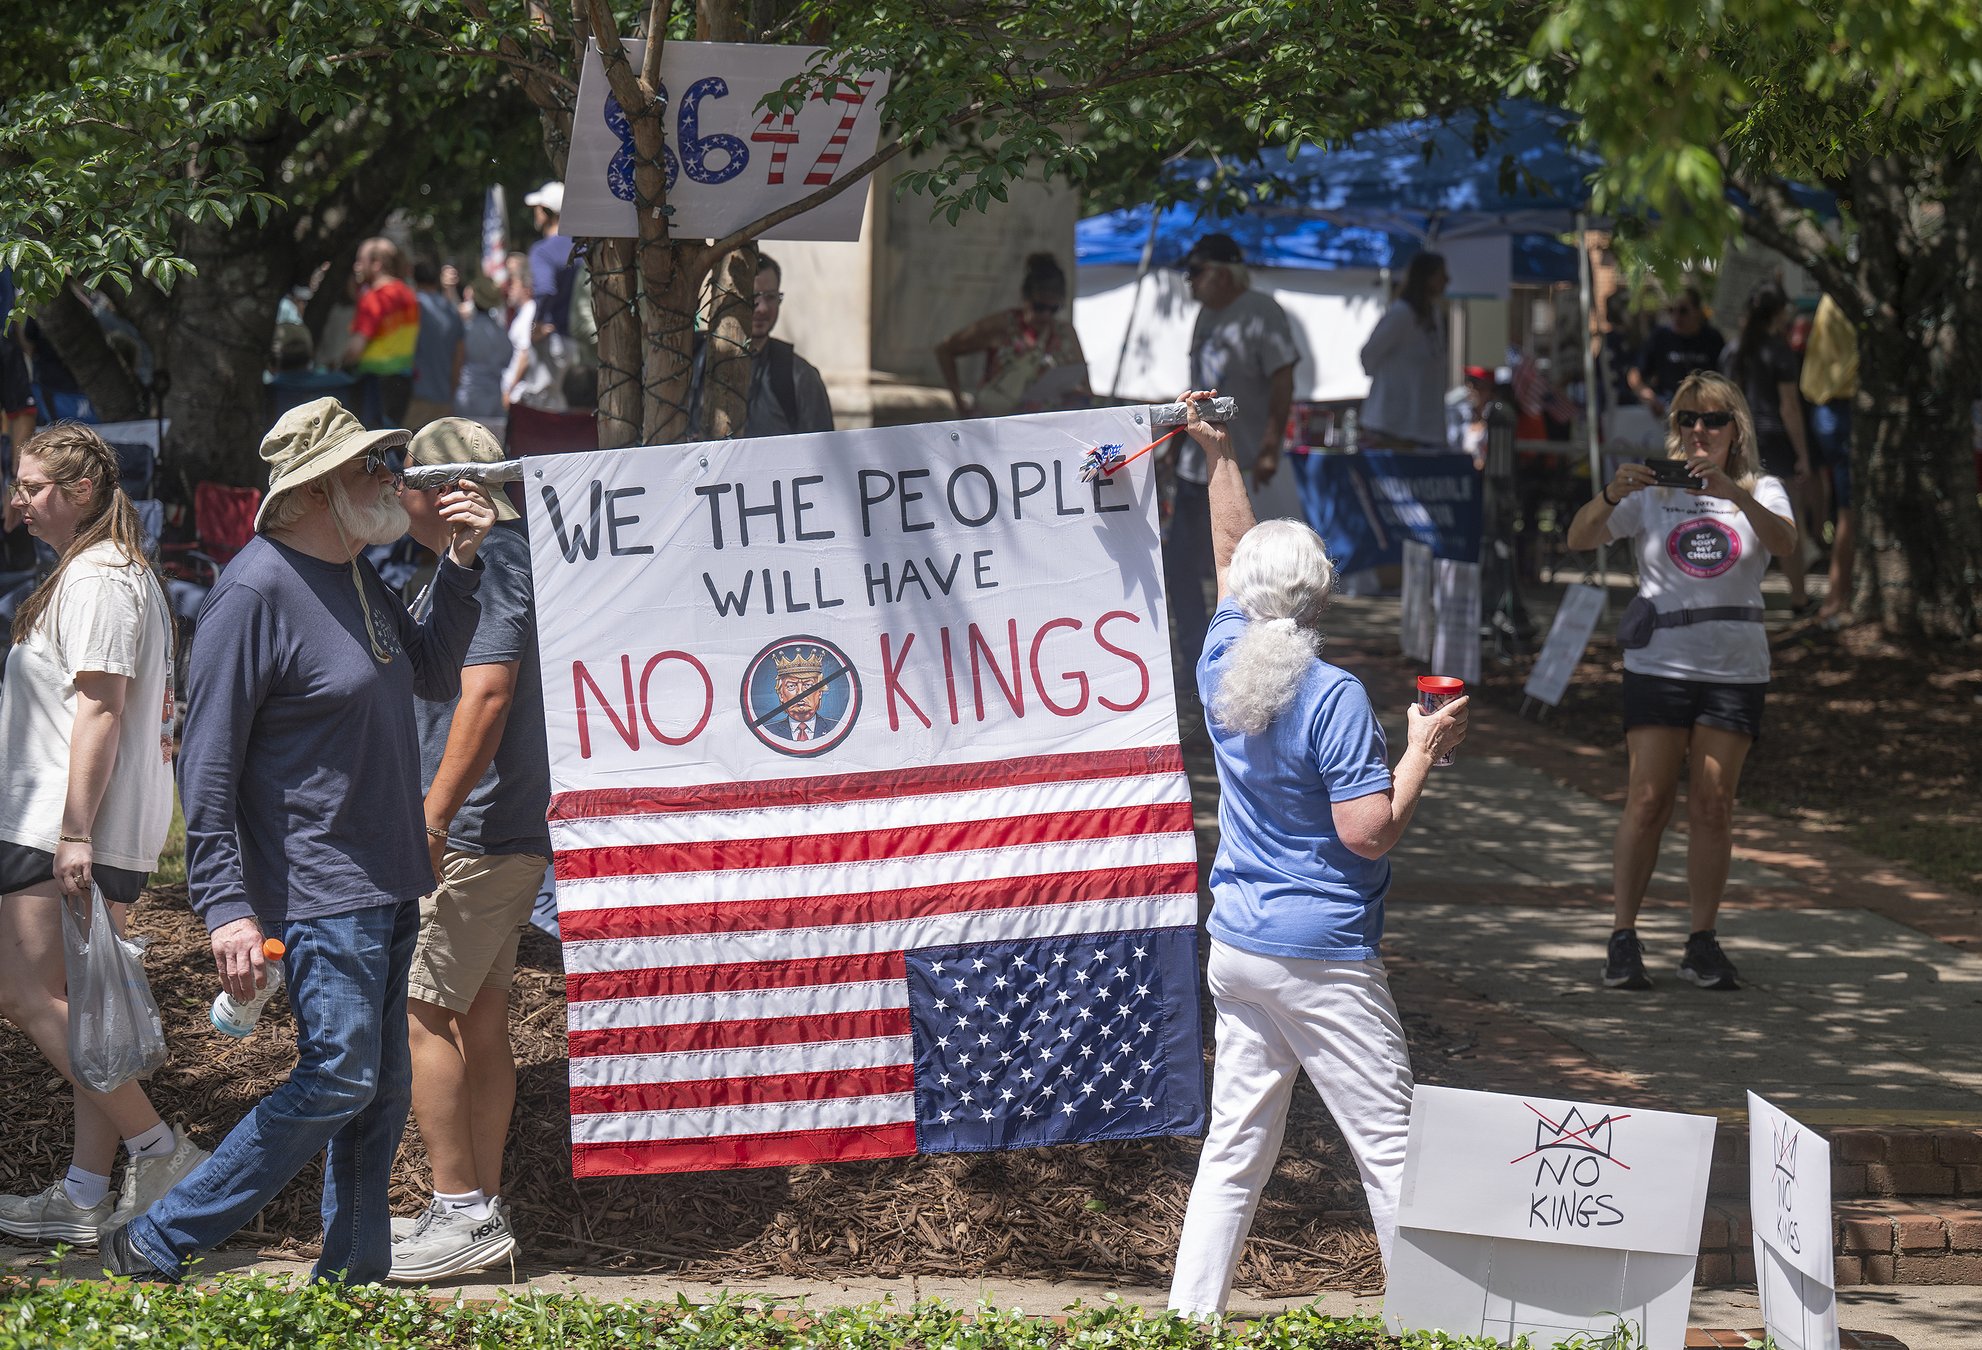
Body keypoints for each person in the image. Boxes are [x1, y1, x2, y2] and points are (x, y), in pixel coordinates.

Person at [97, 396, 494, 1283]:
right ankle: (158, 1241)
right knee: (343, 1077)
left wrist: (461, 564)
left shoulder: (358, 574)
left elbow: (430, 672)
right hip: (319, 884)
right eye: (372, 469)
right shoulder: (255, 588)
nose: (390, 482)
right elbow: (203, 768)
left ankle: (352, 1281)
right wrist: (227, 907)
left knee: (378, 1097)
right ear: (316, 490)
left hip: (385, 877)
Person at [1164, 390, 1468, 1318]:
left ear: (1250, 600)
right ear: (1322, 594)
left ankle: (1190, 1317)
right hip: (1322, 953)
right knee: (1392, 1147)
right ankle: (1433, 1323)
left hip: (1241, 945)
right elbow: (1365, 831)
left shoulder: (1221, 661)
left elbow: (1228, 556)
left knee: (1233, 1149)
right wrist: (1419, 752)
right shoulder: (1332, 693)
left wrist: (1220, 454)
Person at [0, 424, 207, 1248]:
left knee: (21, 993)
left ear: (80, 492)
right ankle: (87, 1193)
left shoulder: (100, 577)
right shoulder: (100, 574)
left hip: (60, 823)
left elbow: (101, 707)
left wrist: (74, 833)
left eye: (33, 485)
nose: (18, 499)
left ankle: (161, 1150)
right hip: (69, 823)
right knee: (83, 1011)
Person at [1565, 372, 1796, 994]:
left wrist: (1735, 496)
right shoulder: (1651, 487)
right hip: (1660, 661)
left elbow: (1788, 544)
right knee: (1647, 801)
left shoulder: (1761, 487)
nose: (1700, 431)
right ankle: (1623, 935)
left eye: (1713, 420)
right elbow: (1579, 537)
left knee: (1714, 805)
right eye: (1689, 419)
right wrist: (1611, 495)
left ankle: (1701, 941)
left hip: (1734, 666)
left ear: (1735, 429)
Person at [388, 419, 549, 1282]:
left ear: (451, 490)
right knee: (479, 1017)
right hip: (502, 830)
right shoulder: (499, 560)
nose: (392, 486)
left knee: (420, 1012)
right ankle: (480, 1210)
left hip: (475, 832)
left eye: (405, 473)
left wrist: (433, 816)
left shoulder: (501, 563)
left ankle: (457, 1208)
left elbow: (486, 696)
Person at [1164, 234, 1301, 669]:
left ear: (1222, 273)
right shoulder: (1206, 314)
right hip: (1194, 463)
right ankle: (1195, 657)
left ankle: (1252, 657)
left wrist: (1269, 447)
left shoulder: (1262, 313)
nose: (1189, 282)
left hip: (1239, 465)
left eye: (1195, 273)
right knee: (1181, 564)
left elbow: (1283, 382)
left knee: (1245, 565)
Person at [1721, 283, 1816, 615]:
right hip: (1775, 442)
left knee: (1737, 519)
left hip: (1739, 443)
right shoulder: (1778, 350)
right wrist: (1803, 453)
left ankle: (1738, 595)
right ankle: (1799, 598)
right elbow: (1789, 407)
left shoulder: (1732, 350)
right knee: (1787, 523)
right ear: (1779, 314)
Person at [686, 254, 834, 436]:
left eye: (771, 297)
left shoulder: (800, 376)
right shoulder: (691, 360)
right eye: (753, 296)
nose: (762, 308)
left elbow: (823, 455)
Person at [934, 252, 1090, 418]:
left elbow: (1086, 388)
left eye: (1053, 309)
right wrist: (960, 405)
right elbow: (945, 349)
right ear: (1025, 298)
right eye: (1039, 307)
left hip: (1049, 424)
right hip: (1000, 423)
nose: (1045, 315)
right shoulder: (1003, 325)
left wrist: (1075, 396)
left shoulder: (1065, 333)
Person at [1801, 293, 1858, 627]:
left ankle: (1839, 594)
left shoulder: (1829, 299)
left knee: (1842, 506)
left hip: (1824, 410)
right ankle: (1837, 597)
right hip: (1841, 410)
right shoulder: (1854, 300)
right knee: (1848, 510)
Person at [1358, 251, 1450, 450]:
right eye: (1441, 275)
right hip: (1391, 426)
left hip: (1422, 427)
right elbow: (1369, 354)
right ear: (1427, 277)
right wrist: (1392, 379)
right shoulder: (1401, 314)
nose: (1447, 281)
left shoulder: (1433, 315)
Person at [341, 238, 421, 429]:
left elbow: (355, 349)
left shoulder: (374, 298)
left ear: (377, 264)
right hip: (402, 381)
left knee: (372, 446)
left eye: (361, 260)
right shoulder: (408, 294)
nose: (357, 266)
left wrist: (341, 364)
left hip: (375, 384)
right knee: (392, 440)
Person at [1628, 287, 1725, 418]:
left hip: (1704, 411)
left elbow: (1726, 377)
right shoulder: (1660, 337)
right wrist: (1649, 397)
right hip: (1668, 411)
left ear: (1697, 311)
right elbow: (1634, 375)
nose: (1676, 316)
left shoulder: (1713, 339)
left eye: (1683, 311)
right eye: (1671, 310)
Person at [408, 261, 465, 430]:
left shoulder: (413, 307)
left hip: (415, 395)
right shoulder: (452, 311)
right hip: (443, 396)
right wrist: (451, 392)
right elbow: (459, 356)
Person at [523, 182, 578, 339]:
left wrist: (537, 323)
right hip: (586, 336)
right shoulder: (583, 245)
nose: (536, 212)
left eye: (538, 207)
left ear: (547, 212)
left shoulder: (542, 251)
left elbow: (545, 289)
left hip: (556, 336)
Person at [454, 276, 511, 422]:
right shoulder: (501, 333)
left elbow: (457, 361)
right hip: (494, 399)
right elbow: (507, 359)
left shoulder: (467, 330)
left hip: (469, 398)